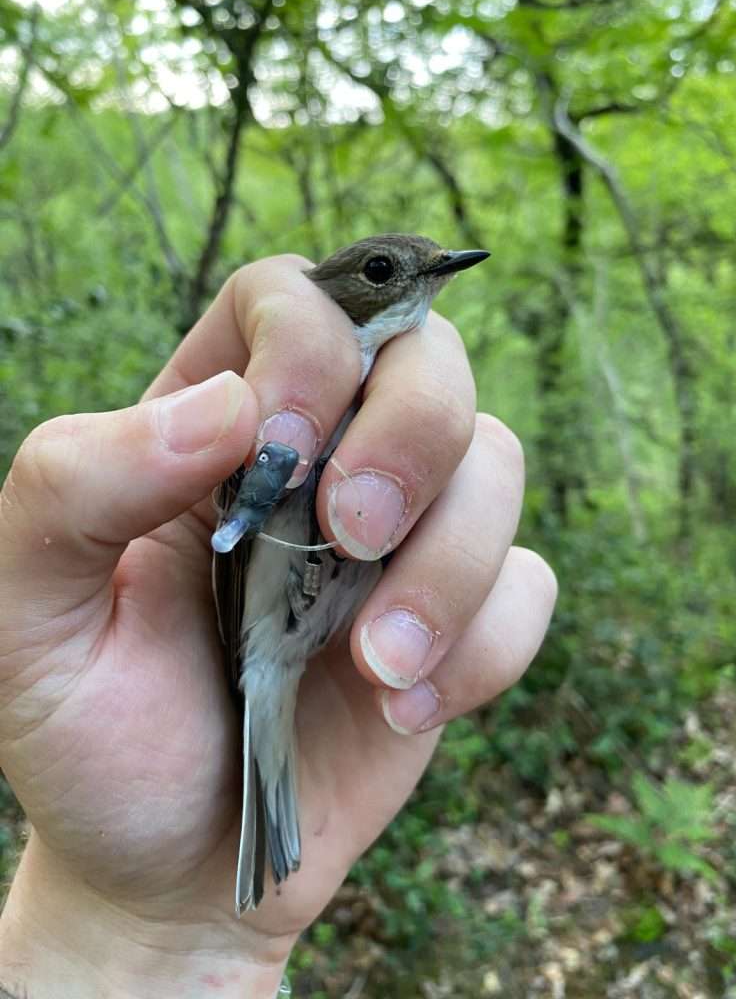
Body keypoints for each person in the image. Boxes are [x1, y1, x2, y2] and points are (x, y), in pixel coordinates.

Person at [0, 255, 557, 998]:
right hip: (262, 626)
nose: (424, 276)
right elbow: (239, 539)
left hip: (310, 636)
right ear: (341, 288)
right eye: (385, 270)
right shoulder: (281, 401)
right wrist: (125, 920)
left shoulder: (372, 401)